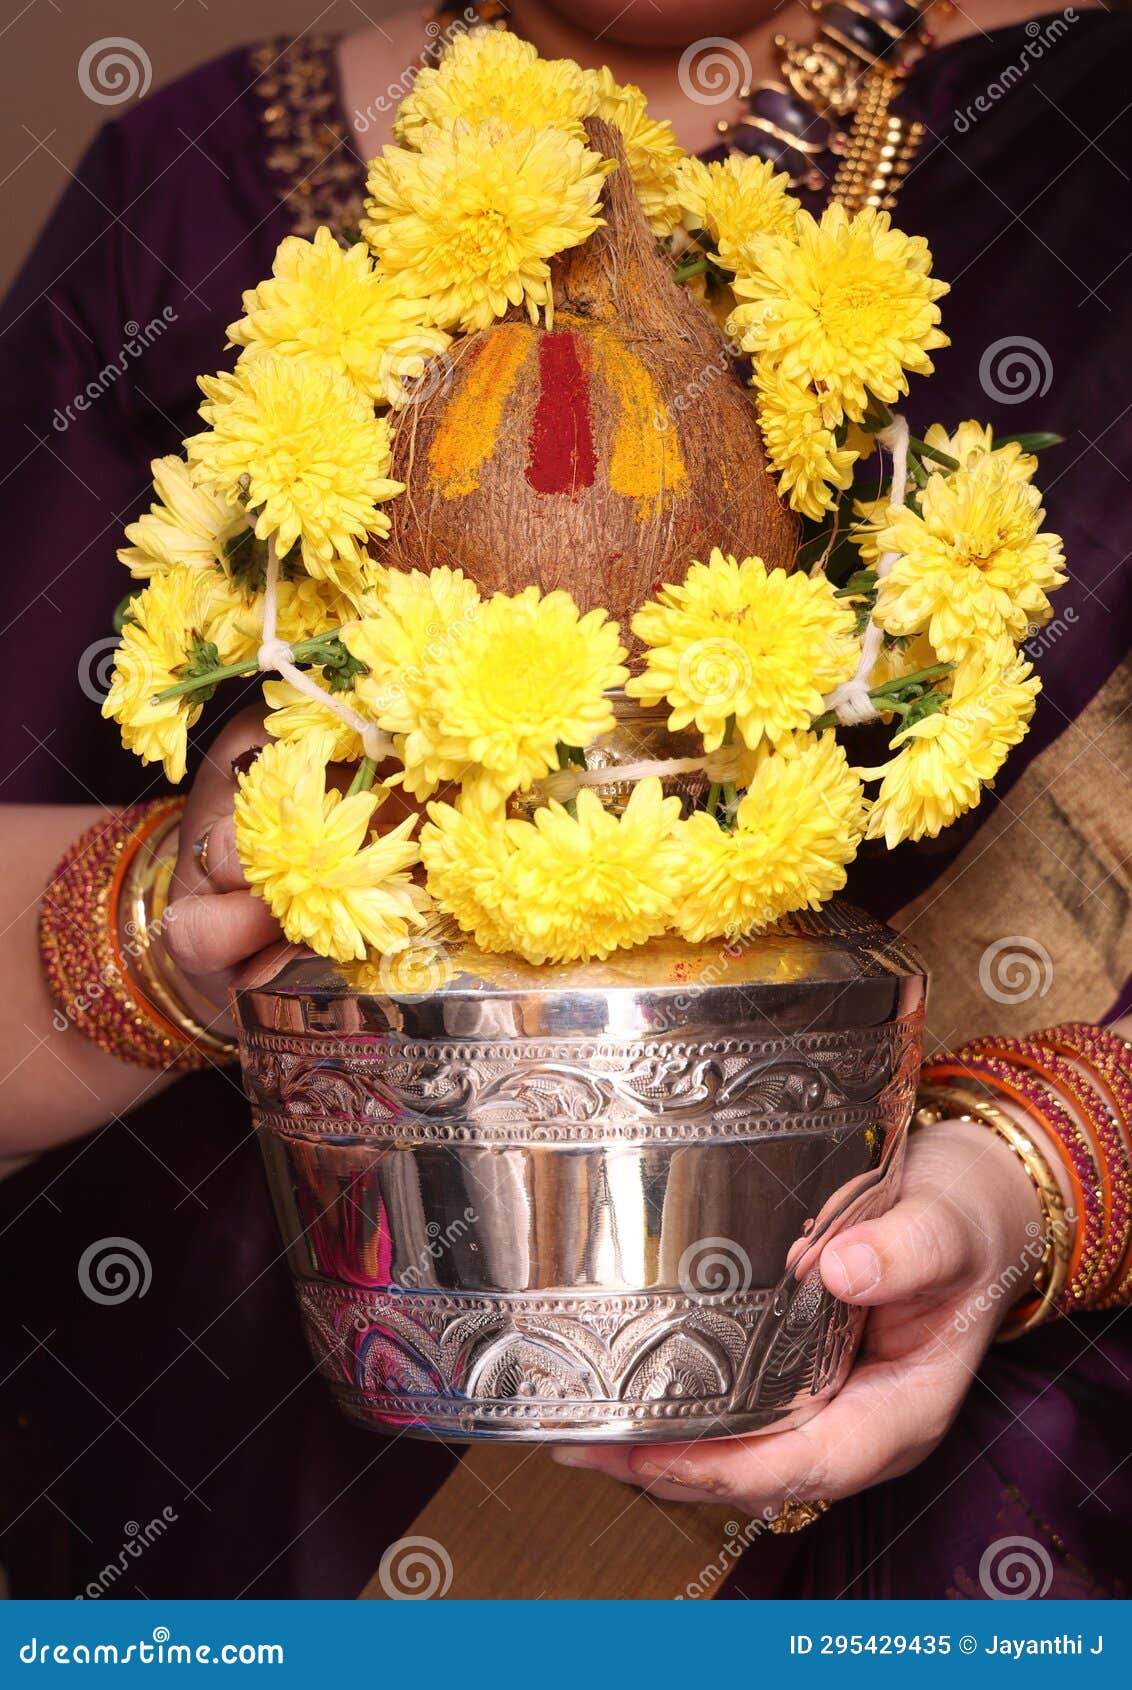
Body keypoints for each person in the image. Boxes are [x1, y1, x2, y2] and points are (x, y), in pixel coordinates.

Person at [1, 0, 1130, 1600]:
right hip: (264, 1527)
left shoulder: (1086, 134)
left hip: (978, 1554)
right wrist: (175, 924)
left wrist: (1043, 1170)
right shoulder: (185, 195)